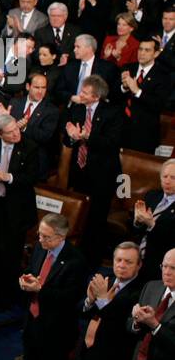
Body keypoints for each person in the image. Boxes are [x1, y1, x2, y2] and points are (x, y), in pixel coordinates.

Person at [4, 214, 88, 360]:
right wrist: (26, 280)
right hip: (33, 322)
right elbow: (32, 270)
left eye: (46, 236)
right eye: (39, 234)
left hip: (57, 331)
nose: (40, 239)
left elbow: (71, 299)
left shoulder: (76, 261)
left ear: (61, 237)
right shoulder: (41, 249)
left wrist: (40, 290)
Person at [0, 114, 40, 308]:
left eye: (16, 128)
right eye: (10, 131)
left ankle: (4, 299)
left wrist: (8, 177)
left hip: (16, 210)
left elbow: (33, 177)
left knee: (9, 256)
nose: (16, 133)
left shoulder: (30, 147)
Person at [62, 75, 123, 264]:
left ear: (96, 96)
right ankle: (74, 256)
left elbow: (112, 143)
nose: (80, 94)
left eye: (85, 92)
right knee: (78, 217)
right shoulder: (78, 110)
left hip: (102, 175)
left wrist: (87, 137)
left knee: (95, 221)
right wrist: (72, 137)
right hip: (80, 172)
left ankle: (91, 261)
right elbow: (67, 140)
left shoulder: (113, 113)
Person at [131, 160, 175, 283]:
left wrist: (152, 224)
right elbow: (134, 230)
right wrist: (138, 221)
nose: (167, 181)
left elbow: (171, 240)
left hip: (159, 261)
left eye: (173, 178)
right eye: (165, 176)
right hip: (136, 254)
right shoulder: (152, 196)